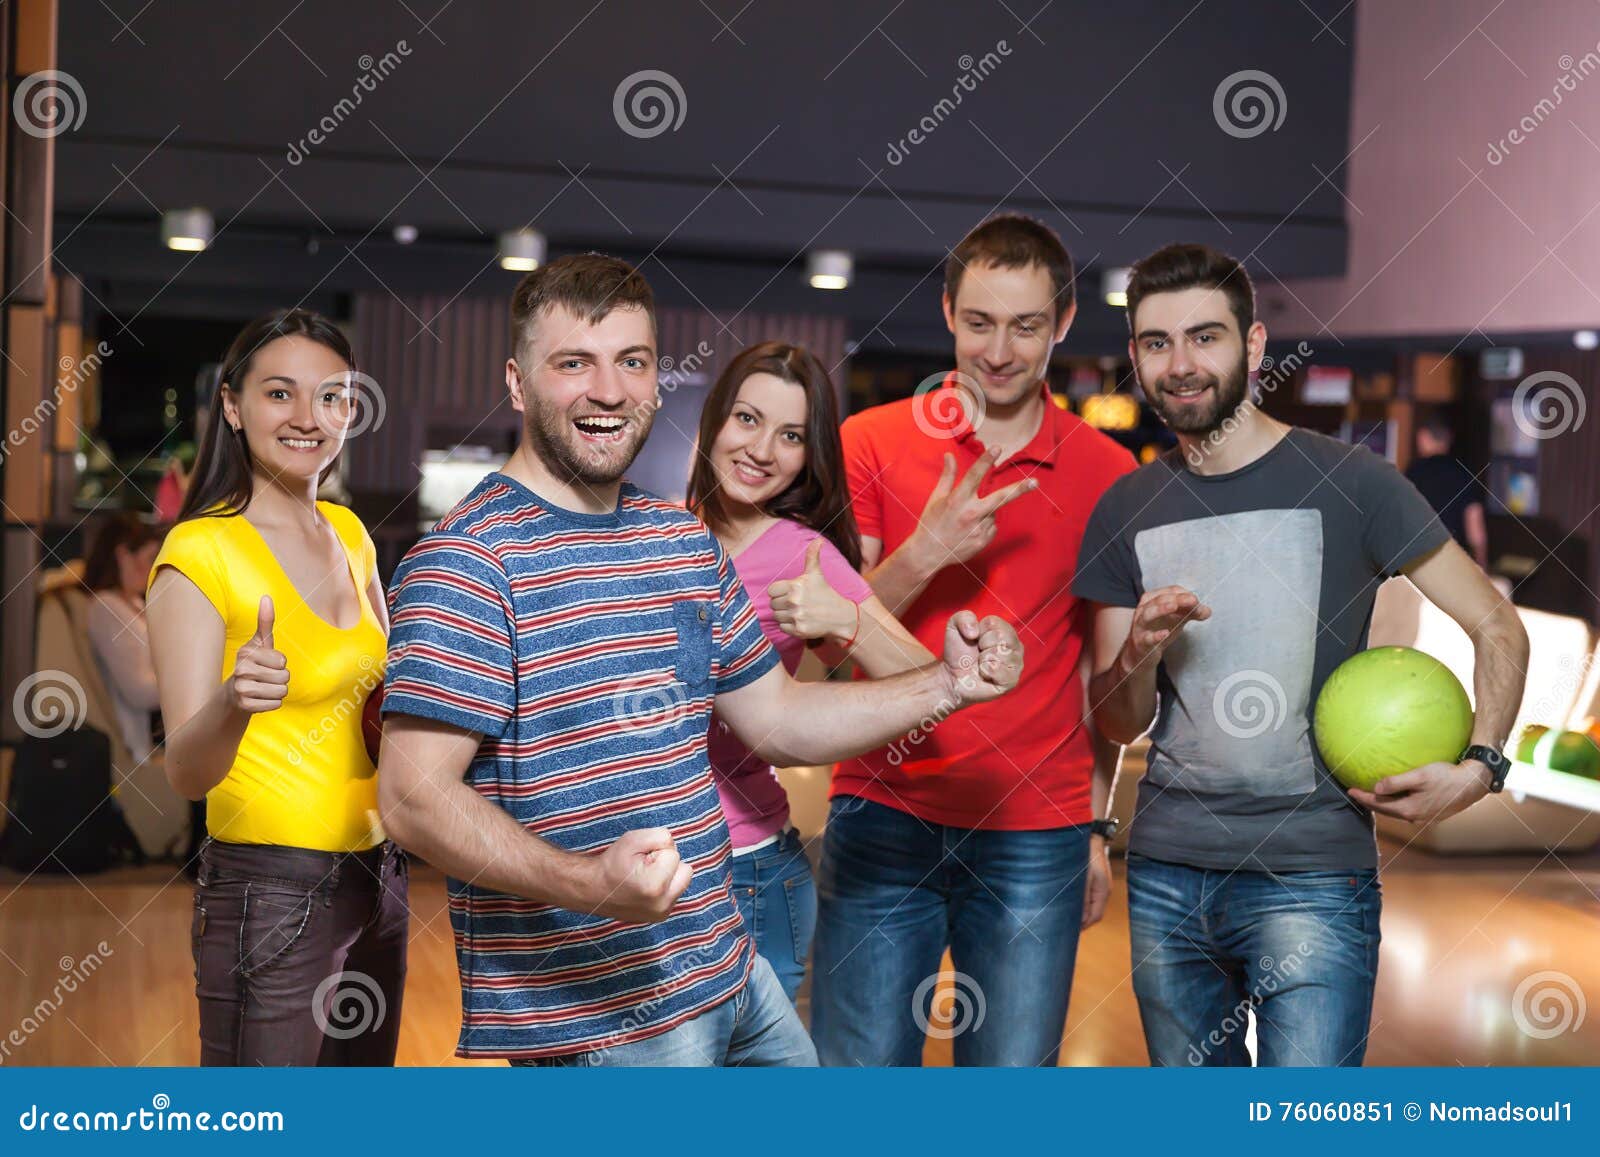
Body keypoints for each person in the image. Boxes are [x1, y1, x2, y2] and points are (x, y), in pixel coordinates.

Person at [375, 253, 1024, 1067]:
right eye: (574, 363)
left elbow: (779, 718)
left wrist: (946, 681)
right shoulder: (466, 561)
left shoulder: (680, 540)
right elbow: (411, 798)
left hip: (729, 966)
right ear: (516, 382)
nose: (608, 390)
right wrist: (590, 883)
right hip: (602, 1014)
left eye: (633, 362)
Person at [1072, 242, 1529, 1067]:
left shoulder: (1355, 483)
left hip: (1315, 878)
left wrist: (1481, 767)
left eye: (1205, 337)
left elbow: (1498, 626)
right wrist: (1138, 652)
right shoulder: (1125, 507)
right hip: (1169, 872)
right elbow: (1117, 718)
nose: (1180, 364)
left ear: (1253, 346)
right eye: (1155, 342)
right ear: (1135, 356)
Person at [811, 212, 1135, 1067]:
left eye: (1026, 326)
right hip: (883, 811)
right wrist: (926, 552)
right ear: (948, 310)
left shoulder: (1110, 474)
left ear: (1062, 323)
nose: (998, 350)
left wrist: (1097, 829)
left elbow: (1104, 687)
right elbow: (831, 644)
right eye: (981, 322)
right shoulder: (871, 443)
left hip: (1039, 833)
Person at [146, 308, 406, 1066]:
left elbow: (384, 707)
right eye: (279, 394)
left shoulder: (351, 535)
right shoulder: (200, 551)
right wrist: (232, 700)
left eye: (330, 396)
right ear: (233, 405)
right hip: (272, 890)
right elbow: (186, 773)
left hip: (381, 875)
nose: (306, 417)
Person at [685, 340, 934, 1002]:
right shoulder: (660, 536)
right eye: (747, 419)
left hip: (749, 876)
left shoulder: (801, 553)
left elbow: (925, 678)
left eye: (790, 434)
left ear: (807, 455)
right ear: (713, 421)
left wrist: (841, 619)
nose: (762, 449)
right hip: (645, 872)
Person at [81, 513, 166, 767]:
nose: (153, 569)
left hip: (155, 736)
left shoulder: (136, 603)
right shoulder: (106, 607)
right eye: (150, 558)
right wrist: (195, 681)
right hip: (134, 749)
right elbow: (139, 692)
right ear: (122, 556)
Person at [1405, 415, 1490, 570]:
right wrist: (1481, 565)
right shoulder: (1463, 474)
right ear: (1448, 440)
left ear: (1422, 436)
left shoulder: (1412, 474)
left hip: (1417, 564)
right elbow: (1475, 526)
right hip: (1453, 562)